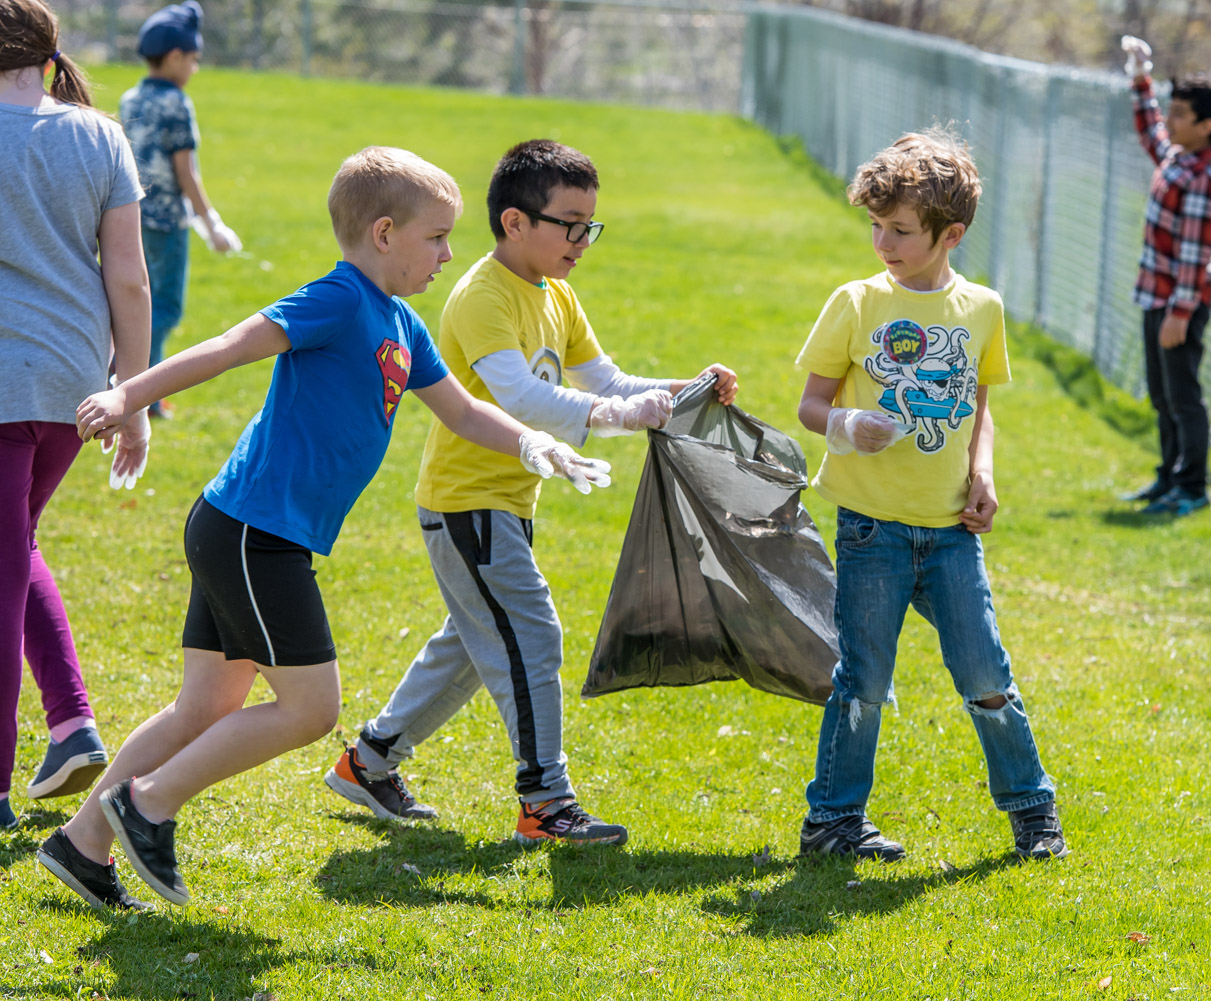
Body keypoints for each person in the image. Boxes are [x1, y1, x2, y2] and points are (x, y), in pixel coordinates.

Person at [36, 146, 610, 911]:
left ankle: (81, 843)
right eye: (436, 238)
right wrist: (126, 395)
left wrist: (537, 446)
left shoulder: (402, 321)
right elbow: (230, 346)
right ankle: (146, 803)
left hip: (245, 529)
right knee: (311, 708)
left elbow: (466, 411)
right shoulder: (338, 300)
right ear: (384, 233)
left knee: (203, 706)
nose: (448, 254)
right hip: (254, 533)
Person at [324, 139, 737, 848]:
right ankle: (545, 800)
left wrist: (683, 388)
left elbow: (607, 381)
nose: (582, 241)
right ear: (515, 223)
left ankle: (368, 762)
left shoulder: (557, 294)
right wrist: (616, 416)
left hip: (508, 502)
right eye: (569, 224)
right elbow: (520, 395)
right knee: (530, 633)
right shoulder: (482, 295)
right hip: (467, 502)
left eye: (589, 225)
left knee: (472, 642)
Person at [793, 127, 1066, 863]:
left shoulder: (982, 308)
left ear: (952, 234)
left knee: (985, 674)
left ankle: (1033, 810)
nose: (883, 242)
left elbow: (979, 407)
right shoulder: (855, 302)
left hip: (950, 533)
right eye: (876, 225)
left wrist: (985, 473)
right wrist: (846, 424)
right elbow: (811, 405)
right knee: (863, 683)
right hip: (871, 531)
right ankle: (833, 822)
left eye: (901, 230)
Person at [0, 0, 151, 833]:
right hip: (73, 384)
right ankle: (70, 727)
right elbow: (129, 278)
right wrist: (133, 396)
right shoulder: (101, 135)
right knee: (12, 544)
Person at [1117, 36, 1211, 517]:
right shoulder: (1178, 159)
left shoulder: (1203, 180)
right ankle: (1168, 476)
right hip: (1157, 296)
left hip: (1178, 304)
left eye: (1181, 114)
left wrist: (1179, 314)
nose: (1170, 119)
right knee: (1162, 396)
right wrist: (1141, 78)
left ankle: (1192, 486)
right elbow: (1151, 132)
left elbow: (1194, 255)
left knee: (1184, 398)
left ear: (1207, 127)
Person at [120, 0, 241, 420]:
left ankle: (124, 376)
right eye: (193, 59)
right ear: (174, 56)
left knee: (135, 299)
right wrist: (212, 223)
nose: (195, 68)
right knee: (165, 307)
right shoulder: (177, 102)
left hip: (129, 217)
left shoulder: (130, 98)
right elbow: (185, 171)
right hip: (168, 222)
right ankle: (143, 392)